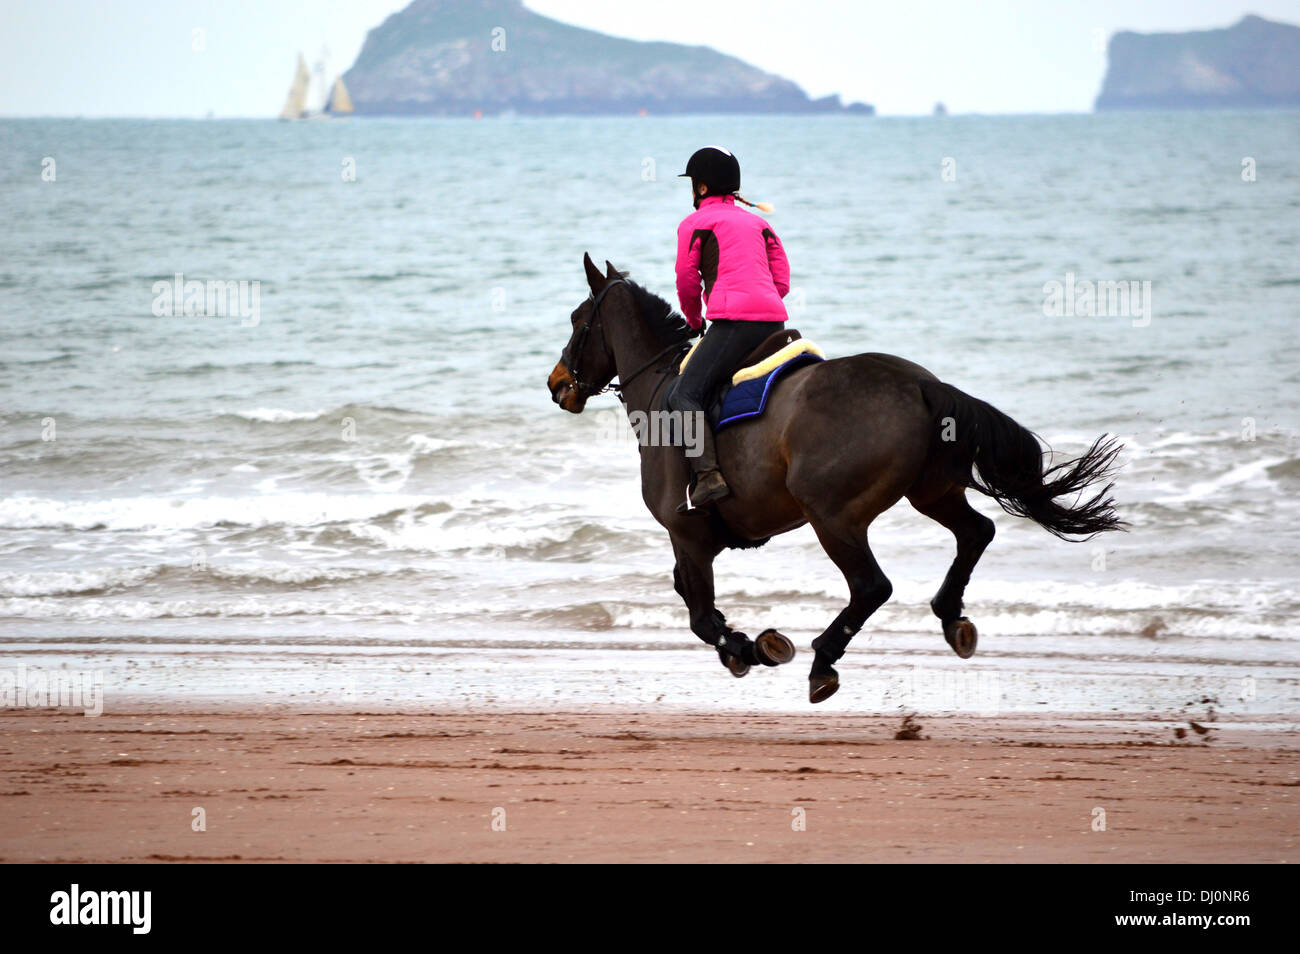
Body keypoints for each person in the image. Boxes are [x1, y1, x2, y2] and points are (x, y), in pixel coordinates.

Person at [671, 146, 790, 509]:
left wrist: (694, 320)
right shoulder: (760, 223)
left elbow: (686, 280)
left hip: (733, 324)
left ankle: (707, 477)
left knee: (683, 395)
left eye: (692, 184)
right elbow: (781, 279)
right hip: (774, 322)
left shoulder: (694, 224)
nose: (691, 191)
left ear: (702, 189)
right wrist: (764, 301)